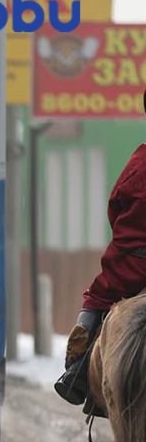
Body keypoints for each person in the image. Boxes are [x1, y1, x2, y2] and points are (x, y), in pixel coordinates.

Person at [55, 144, 146, 412]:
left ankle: (78, 374)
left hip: (135, 260)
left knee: (99, 298)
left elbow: (115, 209)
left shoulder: (140, 161)